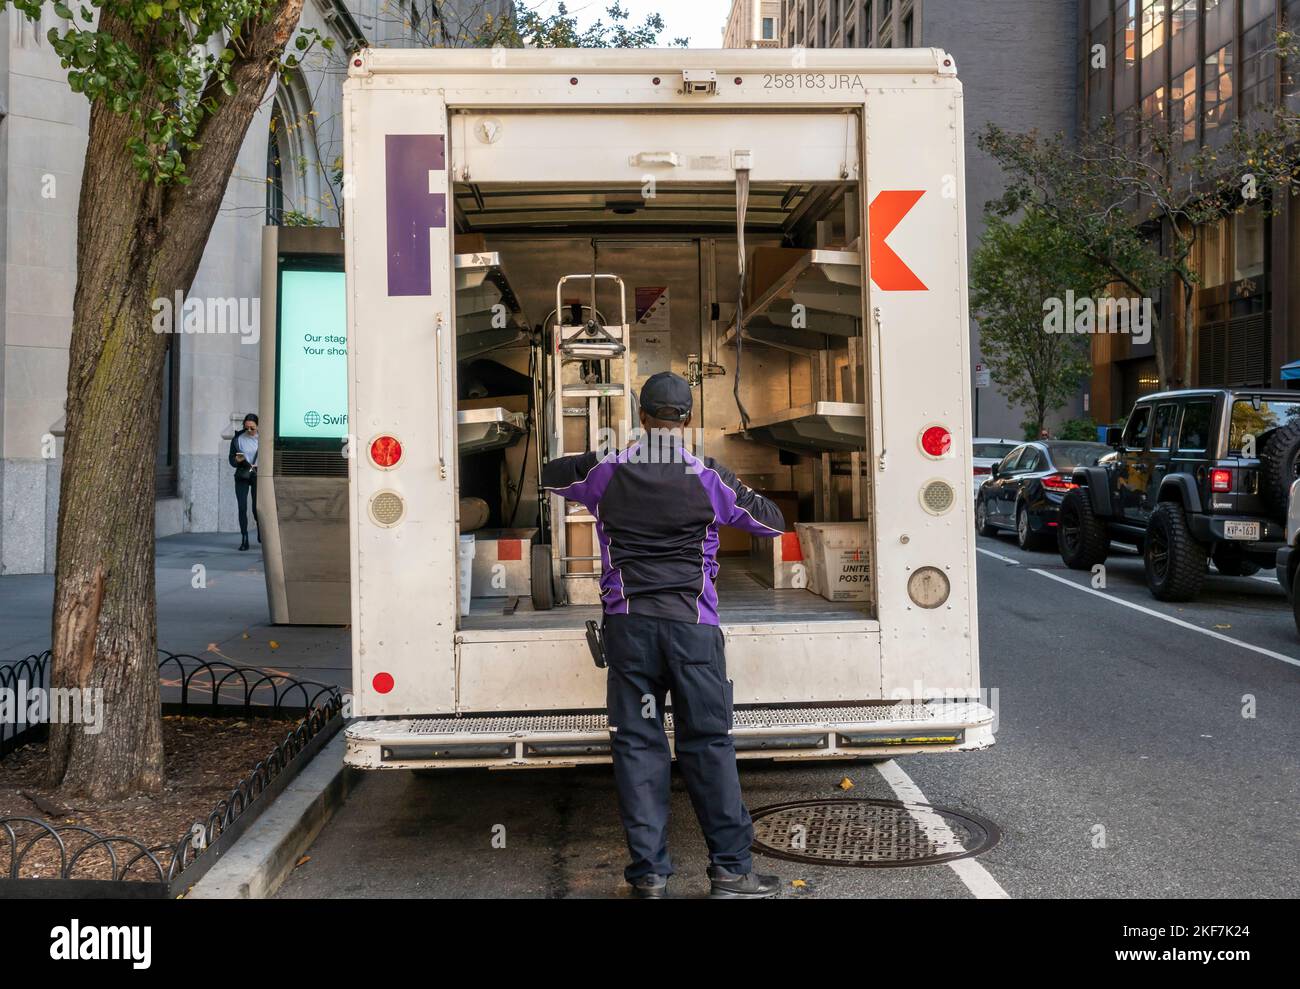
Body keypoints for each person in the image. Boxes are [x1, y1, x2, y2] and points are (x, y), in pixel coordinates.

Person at [540, 371, 786, 899]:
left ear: (642, 416)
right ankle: (731, 873)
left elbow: (552, 474)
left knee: (638, 747)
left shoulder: (607, 471)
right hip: (693, 631)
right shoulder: (707, 475)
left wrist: (595, 458)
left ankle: (650, 877)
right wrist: (736, 487)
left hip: (629, 631)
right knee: (709, 746)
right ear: (688, 419)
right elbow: (772, 522)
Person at [228, 413, 260, 551]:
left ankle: (261, 532)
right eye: (246, 427)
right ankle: (244, 538)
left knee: (256, 508)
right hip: (242, 474)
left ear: (258, 426)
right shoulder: (238, 439)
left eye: (252, 428)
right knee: (242, 507)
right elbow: (231, 458)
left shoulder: (263, 439)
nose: (249, 431)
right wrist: (237, 461)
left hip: (259, 475)